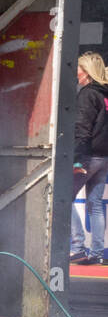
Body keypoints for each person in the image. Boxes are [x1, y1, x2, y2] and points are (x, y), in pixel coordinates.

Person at [71, 52, 108, 265]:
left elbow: (82, 129)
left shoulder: (87, 95)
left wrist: (78, 160)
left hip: (88, 156)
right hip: (104, 157)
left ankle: (77, 247)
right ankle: (96, 253)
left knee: (62, 198)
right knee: (94, 204)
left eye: (78, 69)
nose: (75, 73)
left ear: (85, 72)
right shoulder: (104, 94)